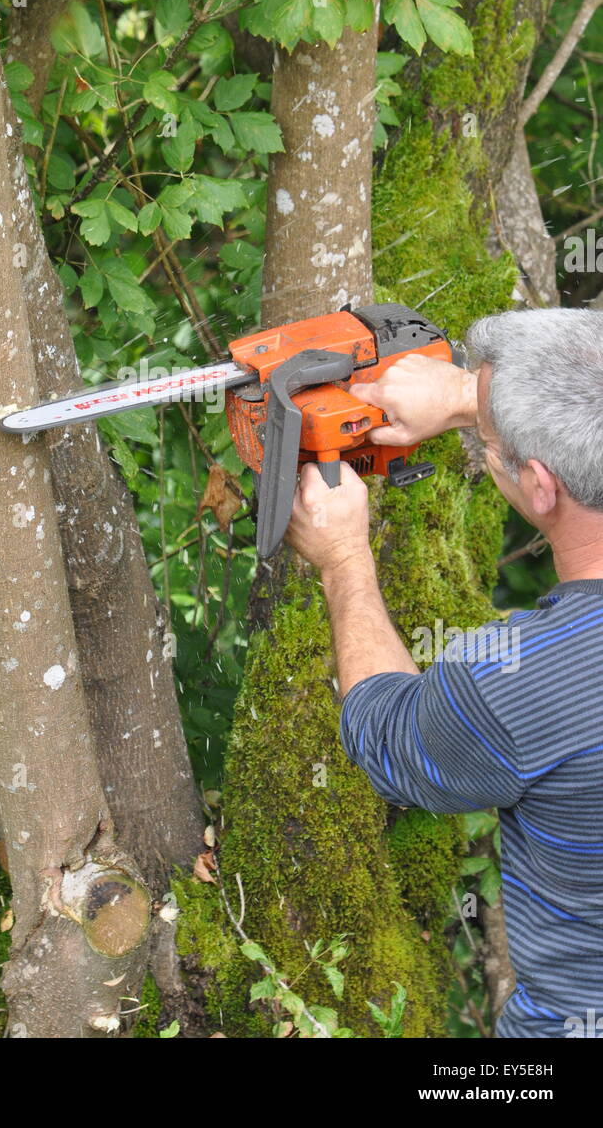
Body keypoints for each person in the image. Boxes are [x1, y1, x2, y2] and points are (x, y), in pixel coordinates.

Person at [284, 308, 603, 1039]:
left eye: (490, 449)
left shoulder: (519, 676)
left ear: (541, 487)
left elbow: (389, 739)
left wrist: (343, 563)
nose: (483, 454)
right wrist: (468, 397)